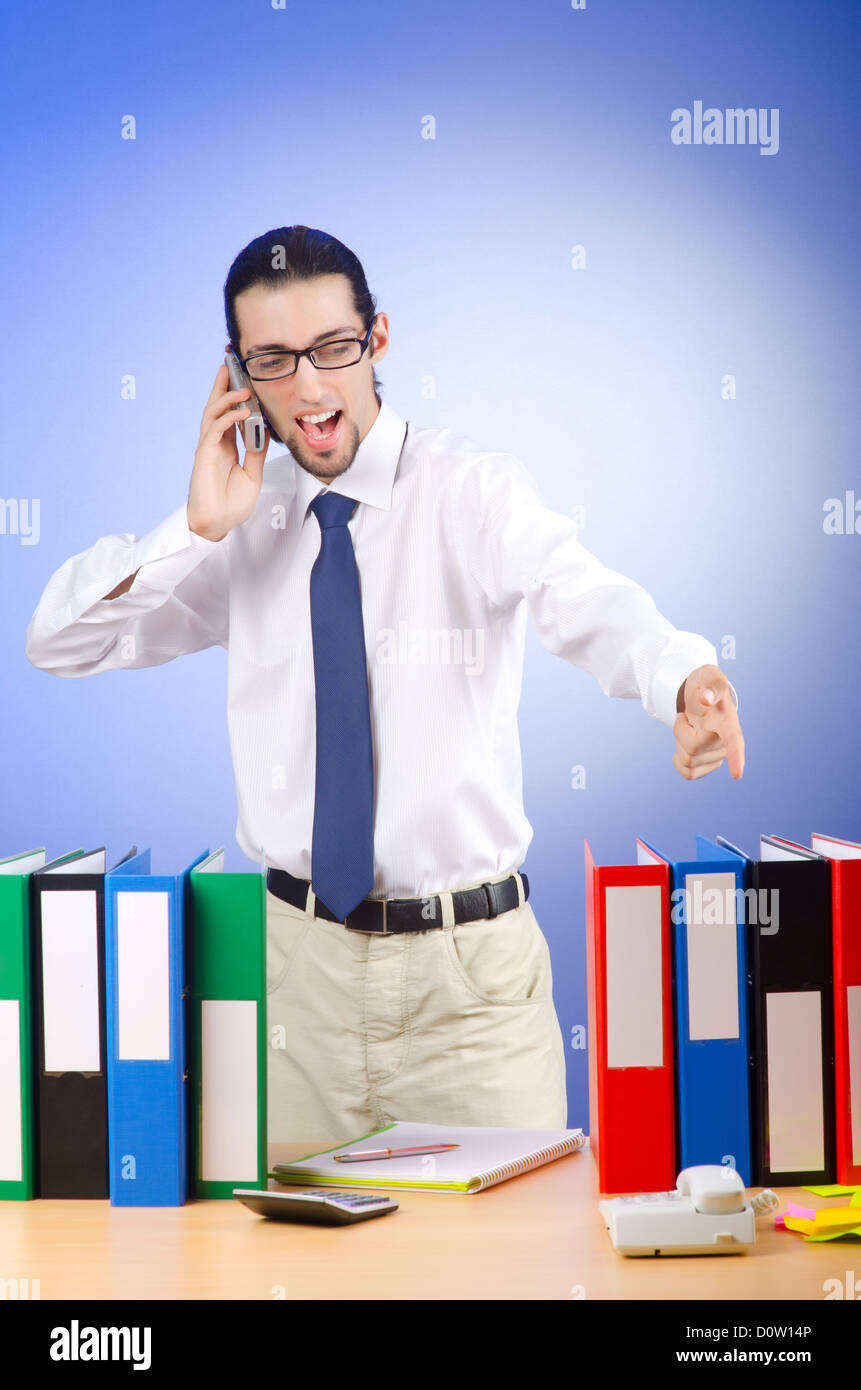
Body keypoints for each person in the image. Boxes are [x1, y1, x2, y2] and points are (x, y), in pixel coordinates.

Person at [25, 224, 745, 1145]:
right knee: (288, 1275)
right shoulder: (243, 524)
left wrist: (681, 677)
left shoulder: (471, 491)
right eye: (273, 360)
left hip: (470, 994)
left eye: (332, 347)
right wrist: (195, 529)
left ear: (379, 340)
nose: (310, 385)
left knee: (490, 1279)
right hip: (291, 986)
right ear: (238, 378)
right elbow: (59, 641)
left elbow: (582, 593)